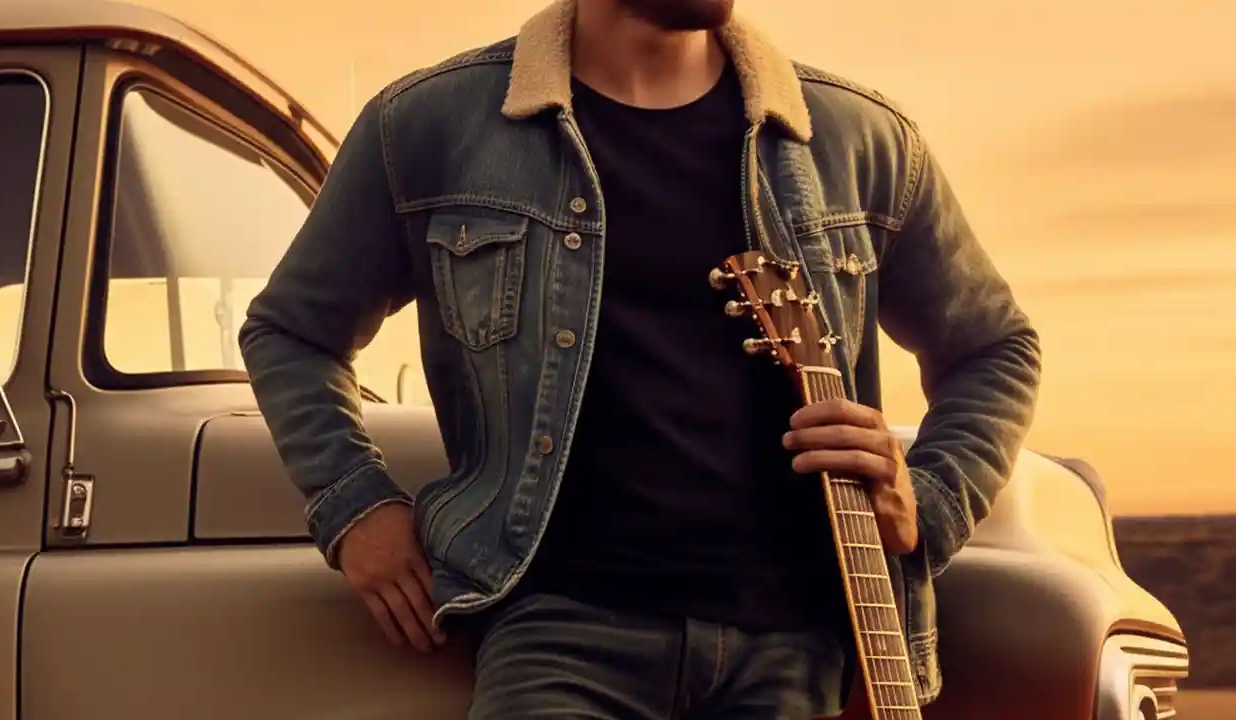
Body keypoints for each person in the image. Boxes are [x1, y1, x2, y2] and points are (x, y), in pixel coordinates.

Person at [239, 0, 1042, 717]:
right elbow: (292, 331)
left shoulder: (860, 141)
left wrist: (926, 501)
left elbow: (996, 348)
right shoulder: (429, 127)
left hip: (796, 644)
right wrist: (356, 508)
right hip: (562, 636)